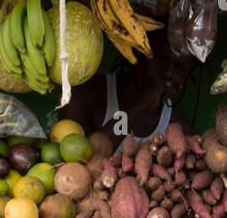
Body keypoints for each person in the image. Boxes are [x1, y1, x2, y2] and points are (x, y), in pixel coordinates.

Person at [60, 28, 196, 143]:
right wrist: (136, 109)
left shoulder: (178, 127)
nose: (168, 73)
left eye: (179, 70)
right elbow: (85, 159)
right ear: (138, 51)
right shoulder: (86, 94)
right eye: (161, 60)